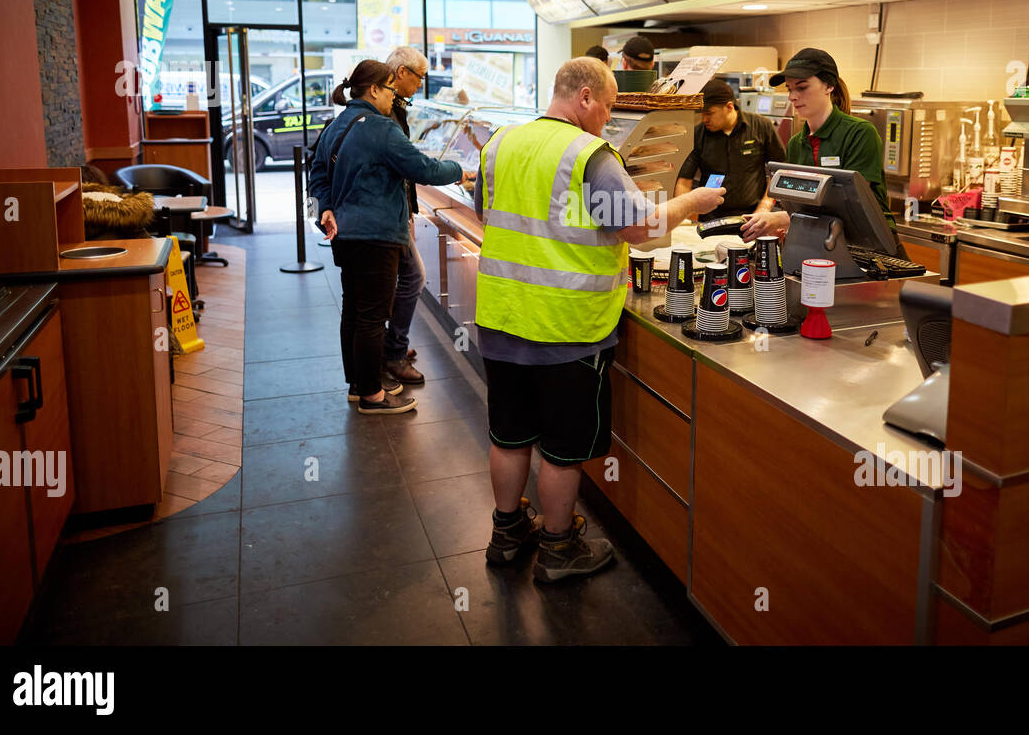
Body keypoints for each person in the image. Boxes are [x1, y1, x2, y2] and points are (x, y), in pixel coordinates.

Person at [475, 57, 725, 582]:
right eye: (608, 106)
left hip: (500, 319)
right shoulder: (590, 153)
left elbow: (488, 213)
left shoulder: (500, 143)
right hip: (565, 327)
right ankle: (559, 549)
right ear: (585, 97)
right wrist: (692, 202)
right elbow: (637, 227)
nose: (608, 118)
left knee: (509, 435)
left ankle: (507, 531)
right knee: (564, 450)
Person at [308, 59, 470, 413]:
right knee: (371, 316)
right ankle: (372, 395)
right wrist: (460, 171)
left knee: (353, 311)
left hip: (345, 236)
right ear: (375, 89)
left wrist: (326, 207)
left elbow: (317, 173)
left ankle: (357, 384)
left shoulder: (336, 124)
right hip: (377, 235)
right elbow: (421, 168)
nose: (393, 99)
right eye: (391, 92)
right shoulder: (381, 128)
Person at [739, 47, 900, 246]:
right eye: (790, 89)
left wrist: (784, 219)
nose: (792, 97)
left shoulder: (859, 133)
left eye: (802, 87)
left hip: (870, 245)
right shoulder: (796, 143)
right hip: (822, 241)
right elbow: (801, 202)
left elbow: (850, 207)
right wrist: (787, 227)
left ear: (829, 86)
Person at [379, 45, 435, 388]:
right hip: (387, 216)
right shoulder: (386, 112)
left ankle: (392, 345)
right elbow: (403, 165)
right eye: (419, 77)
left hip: (395, 211)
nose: (420, 85)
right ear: (401, 73)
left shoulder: (394, 107)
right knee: (413, 278)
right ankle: (393, 352)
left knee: (403, 281)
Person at [674, 77, 784, 220]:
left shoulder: (761, 127)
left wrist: (764, 206)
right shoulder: (698, 134)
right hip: (711, 218)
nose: (704, 119)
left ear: (729, 107)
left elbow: (779, 172)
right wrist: (691, 216)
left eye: (709, 113)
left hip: (751, 216)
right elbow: (684, 181)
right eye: (702, 114)